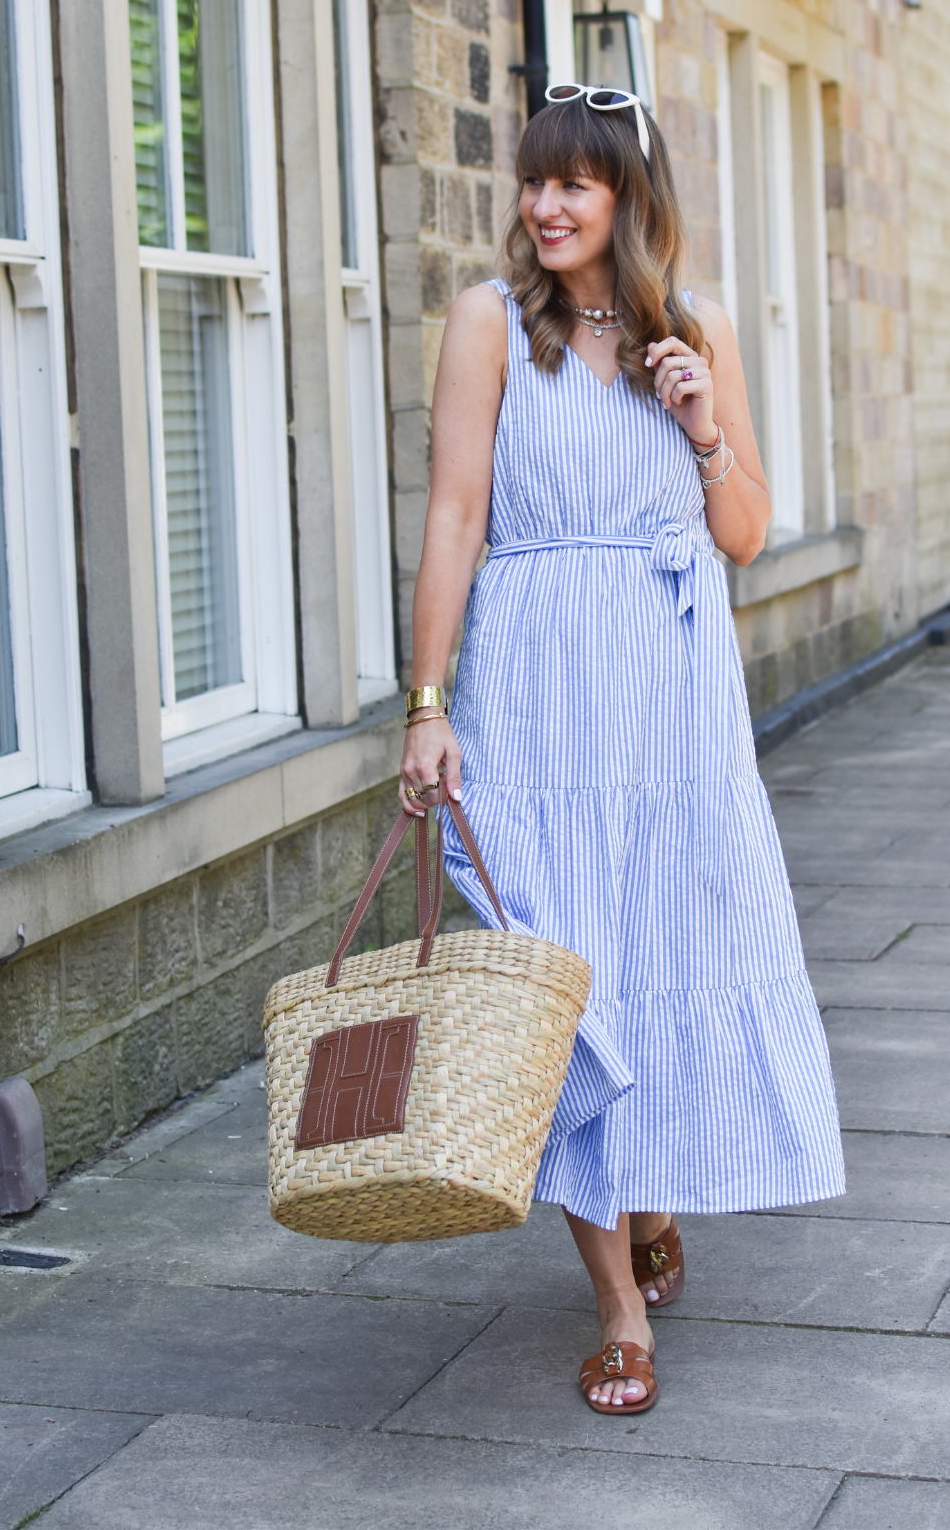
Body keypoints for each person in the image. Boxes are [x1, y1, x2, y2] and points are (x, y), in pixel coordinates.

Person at [399, 85, 844, 1414]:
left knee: (659, 955)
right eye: (535, 183)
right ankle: (616, 1310)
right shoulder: (491, 322)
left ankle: (648, 1195)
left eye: (574, 186)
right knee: (567, 972)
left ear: (627, 198)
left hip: (669, 708)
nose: (545, 205)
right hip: (536, 697)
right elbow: (455, 514)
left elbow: (748, 533)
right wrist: (427, 701)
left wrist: (704, 424)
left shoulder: (692, 330)